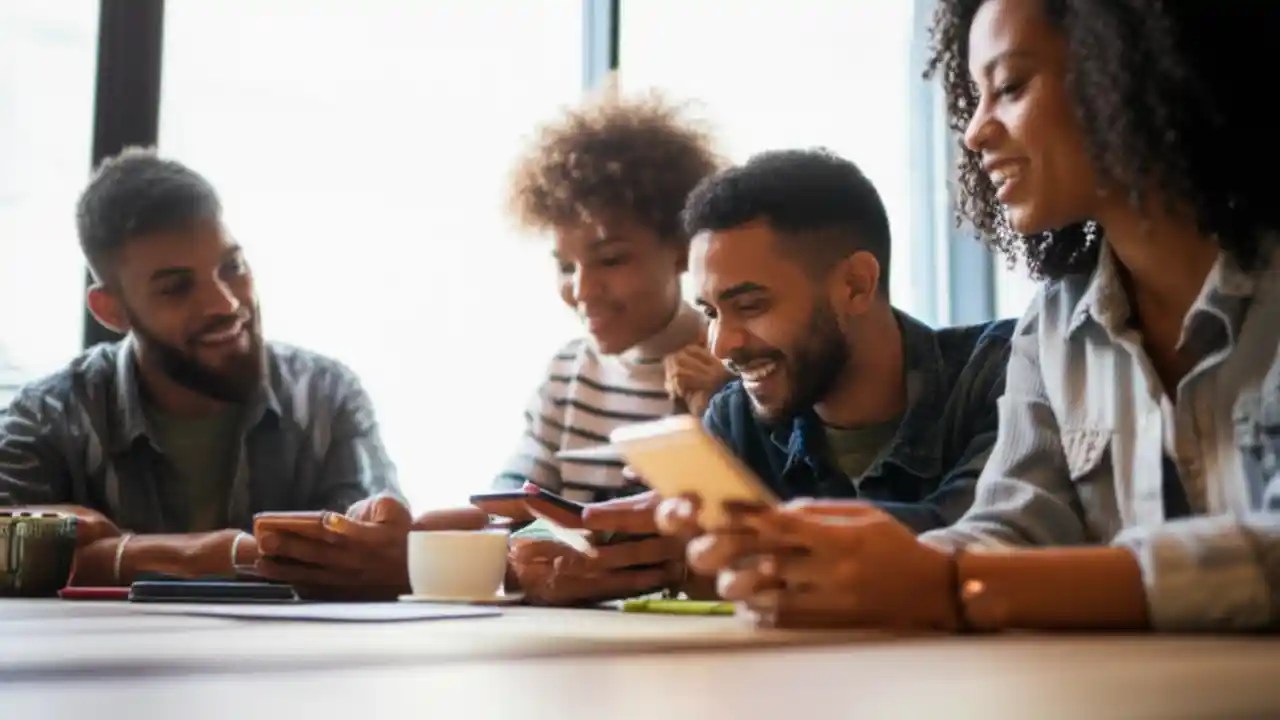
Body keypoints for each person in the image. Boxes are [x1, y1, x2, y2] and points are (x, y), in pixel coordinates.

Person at [661, 0, 1280, 632]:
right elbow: (1010, 530)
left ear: (1135, 74)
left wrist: (951, 583)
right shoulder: (1054, 324)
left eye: (1009, 87)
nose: (975, 131)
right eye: (976, 97)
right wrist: (830, 565)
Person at [0, 148, 407, 597]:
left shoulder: (325, 396)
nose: (226, 304)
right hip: (112, 665)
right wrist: (198, 557)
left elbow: (369, 556)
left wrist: (113, 554)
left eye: (232, 268)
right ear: (111, 310)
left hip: (287, 667)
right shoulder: (49, 415)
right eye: (176, 288)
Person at [417, 90, 729, 605]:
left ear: (681, 248)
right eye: (566, 266)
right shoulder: (569, 372)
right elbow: (509, 503)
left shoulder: (731, 368)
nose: (581, 290)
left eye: (609, 260)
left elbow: (742, 526)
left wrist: (716, 414)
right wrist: (526, 552)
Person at [682, 148, 1013, 533]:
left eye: (751, 306)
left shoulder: (1001, 373)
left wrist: (770, 538)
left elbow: (978, 532)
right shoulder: (736, 420)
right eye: (710, 313)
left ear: (855, 285)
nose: (721, 346)